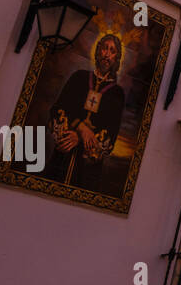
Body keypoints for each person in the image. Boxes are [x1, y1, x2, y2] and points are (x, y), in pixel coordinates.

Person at [42, 32, 126, 192]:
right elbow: (59, 109)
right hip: (63, 153)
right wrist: (80, 128)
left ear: (116, 58)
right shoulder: (79, 77)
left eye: (112, 51)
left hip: (87, 168)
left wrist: (80, 138)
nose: (107, 54)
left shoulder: (117, 93)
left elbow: (110, 133)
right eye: (104, 48)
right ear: (98, 50)